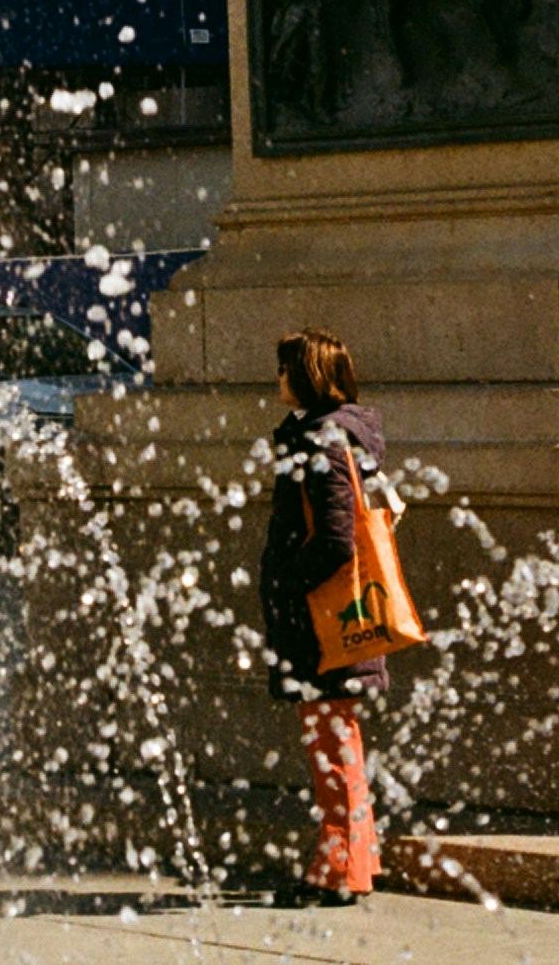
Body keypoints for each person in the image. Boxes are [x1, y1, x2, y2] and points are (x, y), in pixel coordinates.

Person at [257, 327, 391, 903]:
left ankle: (342, 873)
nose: (278, 379)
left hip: (324, 618)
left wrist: (287, 583)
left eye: (286, 368)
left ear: (308, 375)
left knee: (332, 746)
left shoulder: (325, 441)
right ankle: (358, 860)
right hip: (326, 616)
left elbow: (336, 540)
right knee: (338, 742)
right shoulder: (327, 436)